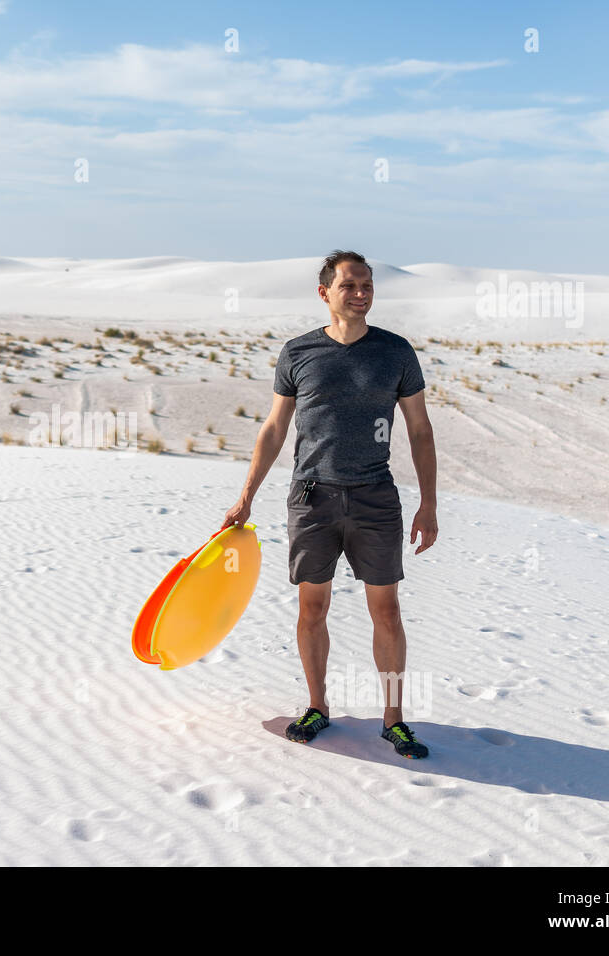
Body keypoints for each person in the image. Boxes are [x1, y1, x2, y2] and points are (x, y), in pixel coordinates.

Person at [221, 250, 438, 758]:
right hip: (311, 497)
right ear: (325, 293)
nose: (360, 293)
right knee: (311, 607)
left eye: (366, 286)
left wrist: (428, 505)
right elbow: (274, 428)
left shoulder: (395, 352)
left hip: (375, 497)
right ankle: (317, 706)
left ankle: (394, 719)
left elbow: (421, 430)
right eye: (349, 286)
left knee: (386, 610)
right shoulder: (299, 353)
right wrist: (246, 497)